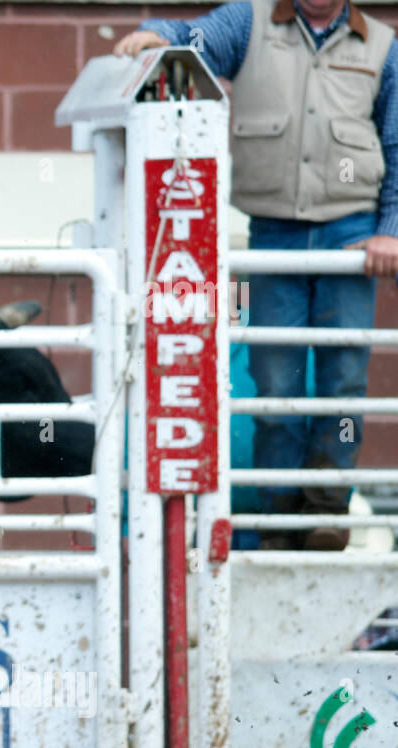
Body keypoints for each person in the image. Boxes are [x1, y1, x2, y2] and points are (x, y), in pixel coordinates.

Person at [115, 0, 398, 550]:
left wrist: (391, 229)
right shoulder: (249, 21)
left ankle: (324, 514)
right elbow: (193, 37)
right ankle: (276, 515)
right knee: (276, 379)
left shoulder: (385, 47)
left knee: (342, 375)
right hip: (274, 232)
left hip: (353, 235)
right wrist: (155, 36)